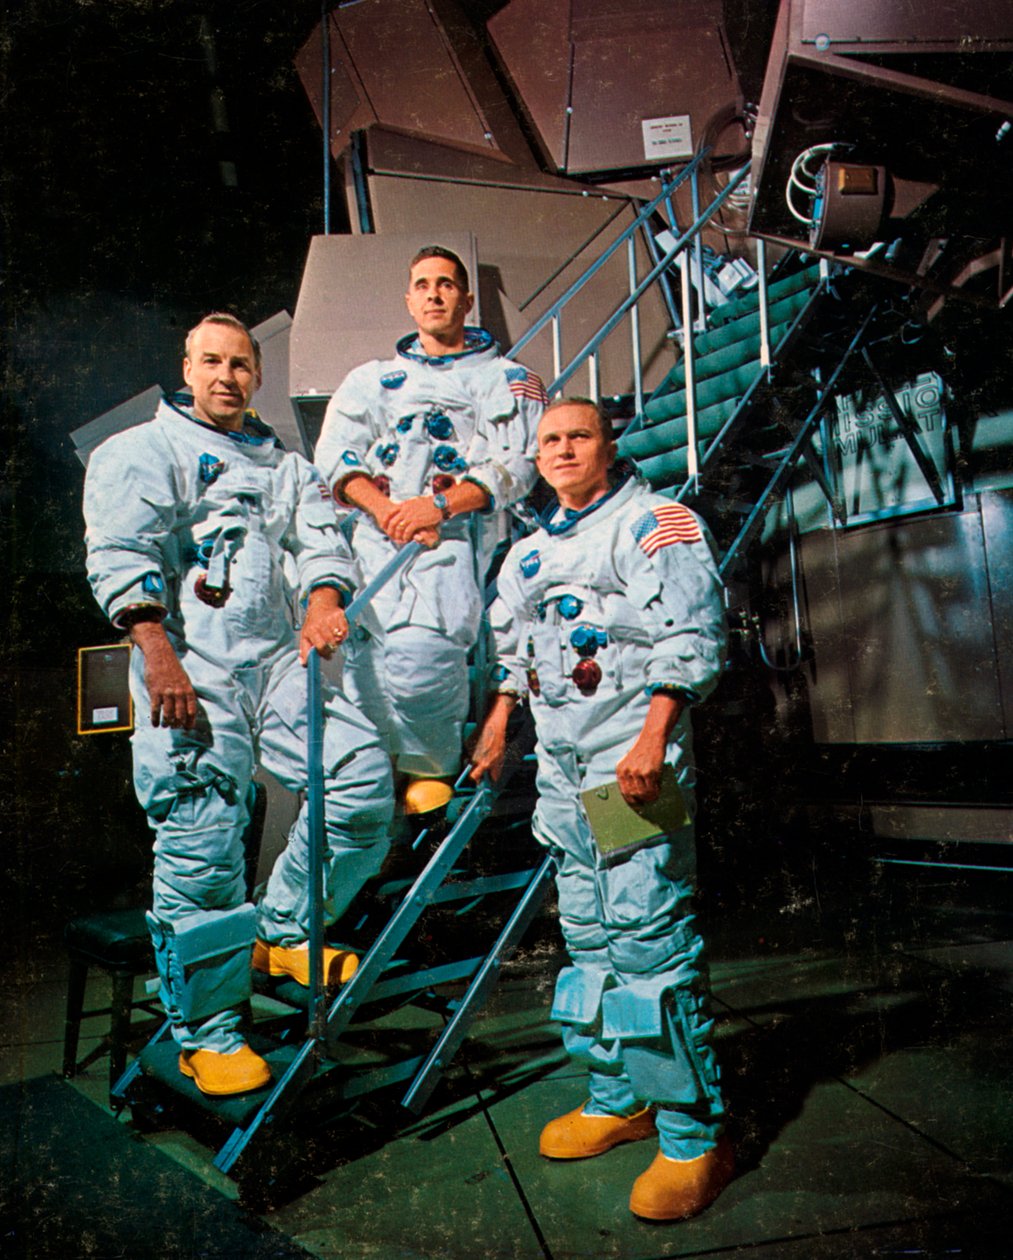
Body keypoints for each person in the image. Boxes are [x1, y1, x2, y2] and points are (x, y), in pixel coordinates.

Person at [83, 313, 393, 1098]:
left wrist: (324, 600)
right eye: (212, 362)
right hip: (188, 661)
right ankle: (209, 1034)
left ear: (257, 375)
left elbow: (322, 542)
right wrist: (157, 656)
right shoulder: (142, 453)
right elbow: (123, 553)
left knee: (359, 790)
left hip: (275, 657)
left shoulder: (283, 467)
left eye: (242, 364)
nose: (227, 376)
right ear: (186, 367)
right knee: (201, 848)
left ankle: (284, 930)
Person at [469, 398, 733, 1221]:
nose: (560, 450)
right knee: (587, 942)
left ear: (607, 444)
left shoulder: (655, 524)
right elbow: (517, 654)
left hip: (623, 773)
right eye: (547, 440)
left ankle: (693, 1135)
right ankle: (618, 1096)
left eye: (577, 436)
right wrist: (497, 721)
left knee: (646, 940)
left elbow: (691, 637)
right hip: (562, 773)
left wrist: (653, 738)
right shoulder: (528, 555)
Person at [314, 246, 544, 816]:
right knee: (367, 672)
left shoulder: (510, 378)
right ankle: (378, 786)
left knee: (425, 662)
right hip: (375, 537)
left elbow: (518, 464)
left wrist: (437, 508)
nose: (434, 293)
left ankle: (431, 771)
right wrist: (386, 509)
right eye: (423, 285)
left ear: (466, 300)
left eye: (446, 284)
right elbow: (334, 454)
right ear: (410, 301)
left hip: (456, 542)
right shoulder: (372, 379)